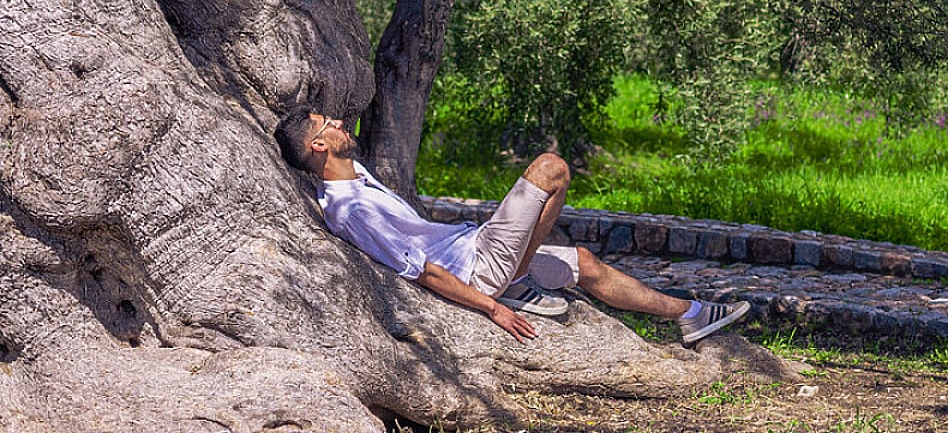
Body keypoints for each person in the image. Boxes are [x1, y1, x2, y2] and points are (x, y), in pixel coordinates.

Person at [275, 109, 749, 344]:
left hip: (477, 247)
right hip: (479, 267)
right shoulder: (349, 210)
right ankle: (516, 282)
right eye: (327, 124)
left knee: (584, 263)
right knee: (551, 168)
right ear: (318, 148)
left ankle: (690, 315)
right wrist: (492, 307)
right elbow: (422, 271)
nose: (339, 122)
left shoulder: (356, 176)